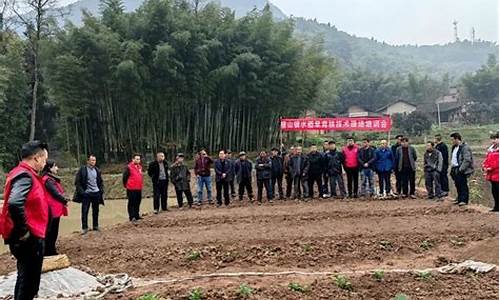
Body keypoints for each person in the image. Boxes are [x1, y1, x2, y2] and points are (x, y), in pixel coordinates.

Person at [0, 141, 49, 300]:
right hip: (28, 238)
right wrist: (24, 232)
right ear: (36, 158)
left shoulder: (21, 173)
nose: (44, 163)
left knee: (25, 277)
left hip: (26, 237)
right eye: (44, 159)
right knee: (29, 281)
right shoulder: (25, 176)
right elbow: (15, 203)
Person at [42, 160, 69, 256]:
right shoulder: (48, 180)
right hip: (52, 209)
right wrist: (64, 200)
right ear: (50, 168)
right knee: (52, 231)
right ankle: (49, 251)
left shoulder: (49, 179)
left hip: (54, 209)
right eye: (55, 166)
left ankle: (50, 250)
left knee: (52, 231)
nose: (57, 168)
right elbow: (55, 193)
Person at [74, 154, 104, 234]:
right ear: (88, 161)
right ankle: (84, 227)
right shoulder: (82, 170)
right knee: (84, 211)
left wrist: (101, 190)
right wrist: (82, 193)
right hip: (86, 194)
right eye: (92, 160)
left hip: (96, 193)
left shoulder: (97, 170)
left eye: (94, 160)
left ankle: (95, 226)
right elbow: (77, 182)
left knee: (96, 210)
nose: (93, 162)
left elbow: (100, 182)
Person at [450, 132, 474, 206]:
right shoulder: (454, 147)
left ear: (457, 139)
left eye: (452, 140)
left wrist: (461, 169)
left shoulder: (465, 148)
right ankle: (459, 198)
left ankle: (464, 200)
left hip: (460, 168)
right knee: (457, 184)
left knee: (463, 184)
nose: (452, 142)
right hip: (454, 168)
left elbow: (467, 160)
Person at [123, 154, 144, 223]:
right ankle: (132, 217)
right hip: (131, 188)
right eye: (136, 159)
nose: (138, 160)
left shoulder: (140, 167)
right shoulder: (129, 167)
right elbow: (125, 177)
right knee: (131, 202)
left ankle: (136, 215)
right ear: (133, 159)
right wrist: (126, 185)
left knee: (138, 202)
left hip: (138, 188)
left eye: (139, 159)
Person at [482, 132, 499, 212]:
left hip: (497, 172)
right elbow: (487, 159)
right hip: (492, 173)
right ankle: (496, 206)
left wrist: (490, 167)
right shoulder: (491, 149)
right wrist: (484, 166)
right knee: (494, 190)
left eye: (496, 139)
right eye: (492, 139)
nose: (494, 141)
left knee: (498, 189)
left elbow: (497, 162)